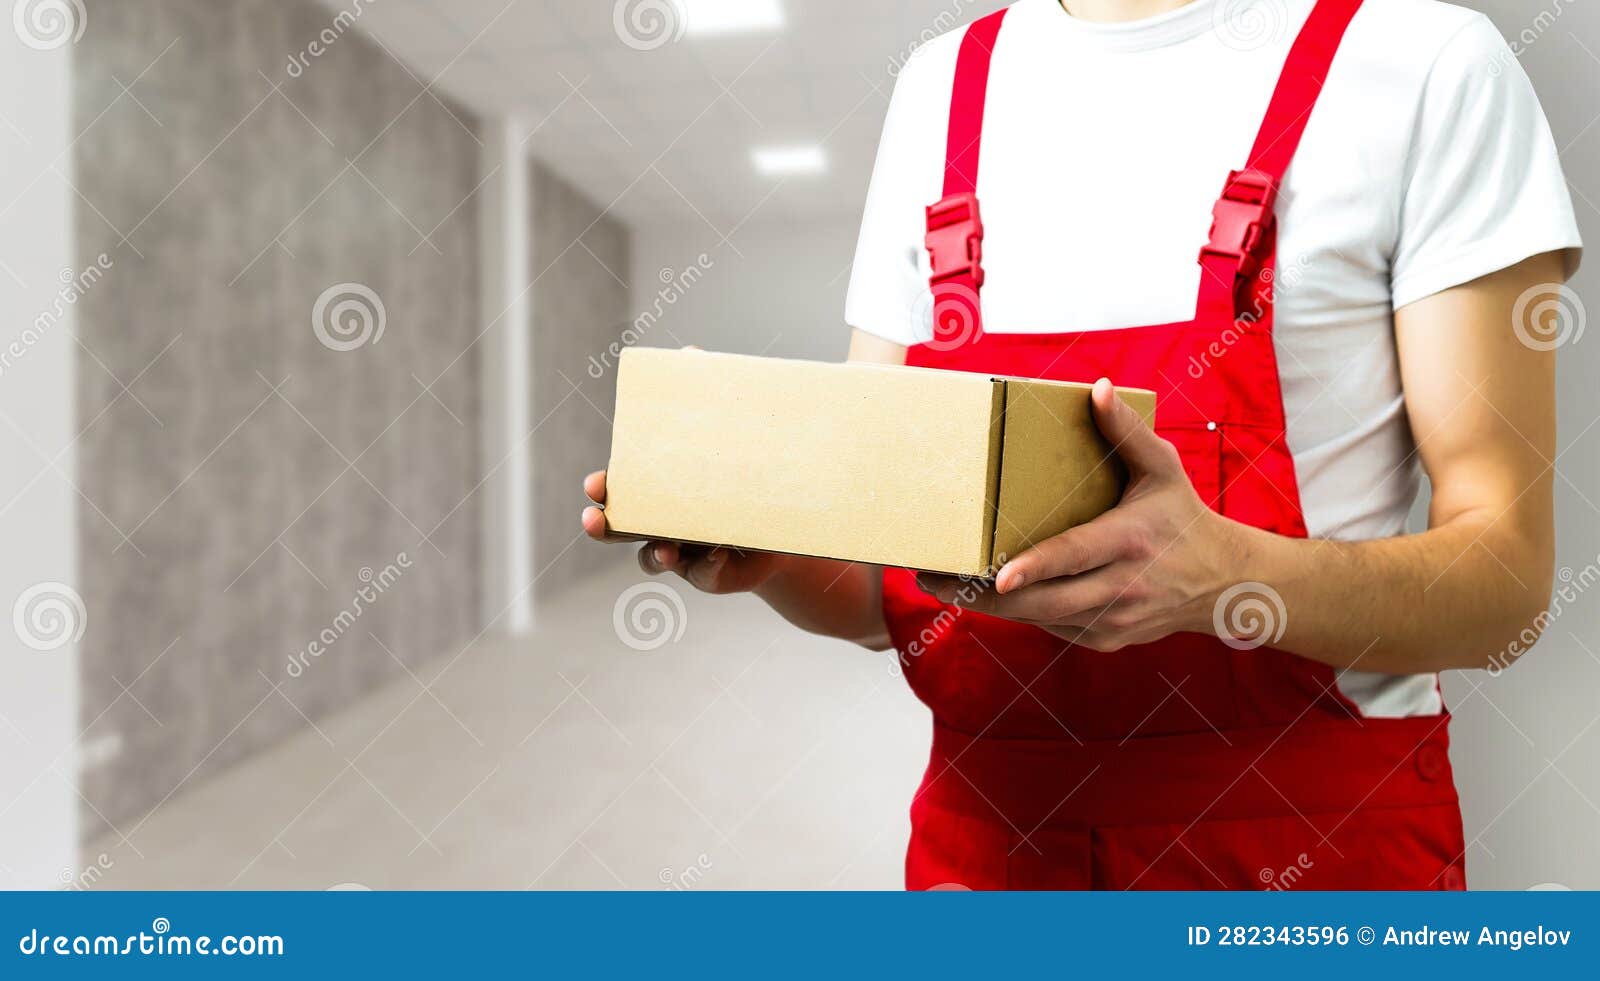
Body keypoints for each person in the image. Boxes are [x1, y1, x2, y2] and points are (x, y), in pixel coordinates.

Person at [583, 0, 1582, 889]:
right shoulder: (942, 86)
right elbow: (897, 603)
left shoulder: (1420, 60)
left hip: (1304, 855)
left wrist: (1220, 580)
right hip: (985, 856)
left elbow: (1505, 597)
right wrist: (772, 554)